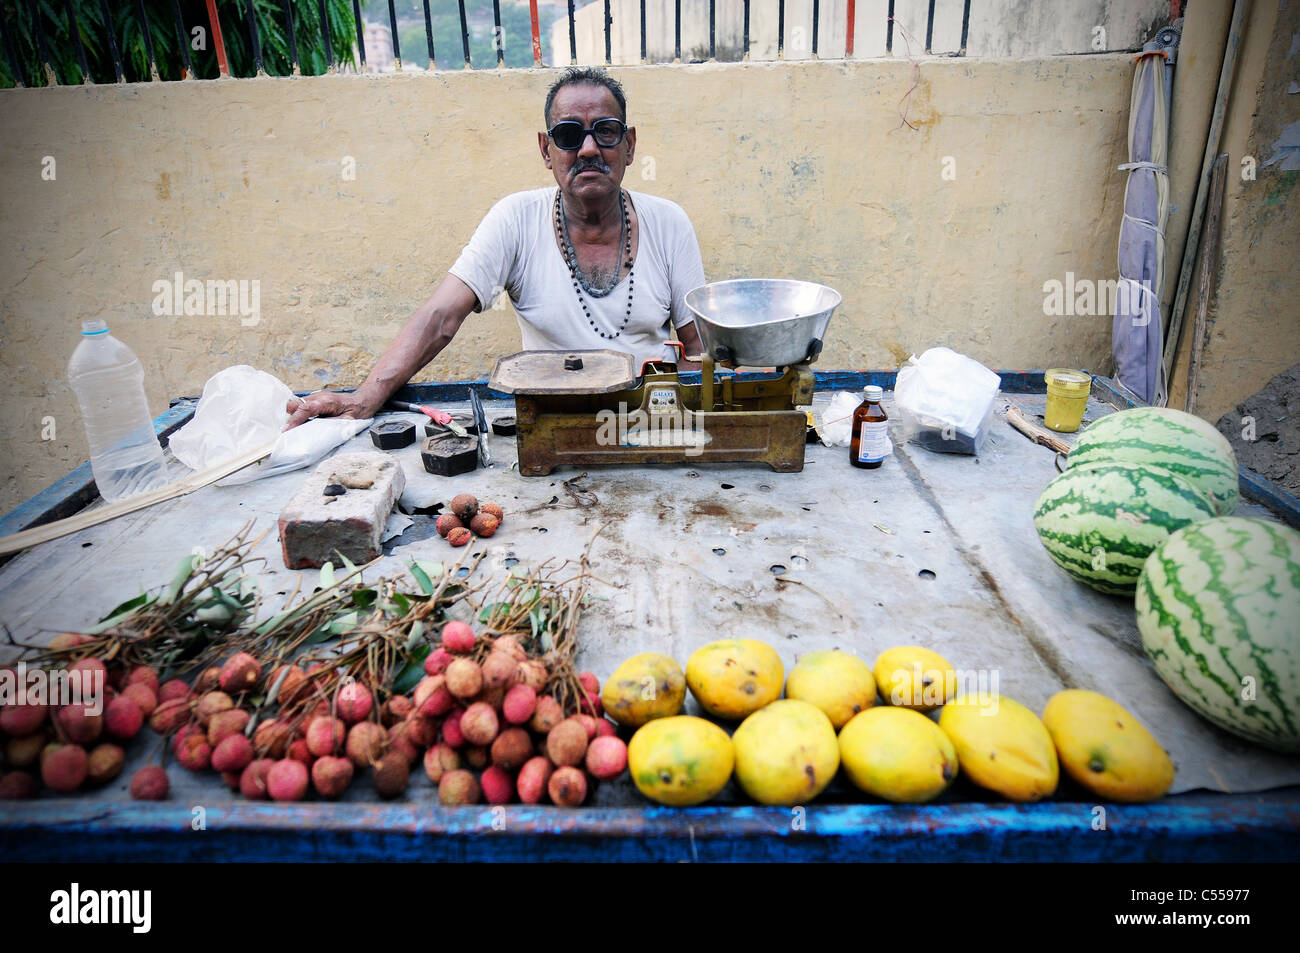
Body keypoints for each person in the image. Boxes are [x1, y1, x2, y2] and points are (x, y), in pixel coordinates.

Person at [286, 67, 707, 429]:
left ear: (630, 145)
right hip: (551, 422)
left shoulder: (669, 223)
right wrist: (364, 398)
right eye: (568, 135)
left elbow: (696, 351)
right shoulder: (515, 219)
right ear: (546, 150)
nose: (589, 149)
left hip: (652, 419)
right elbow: (440, 318)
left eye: (607, 132)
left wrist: (686, 427)